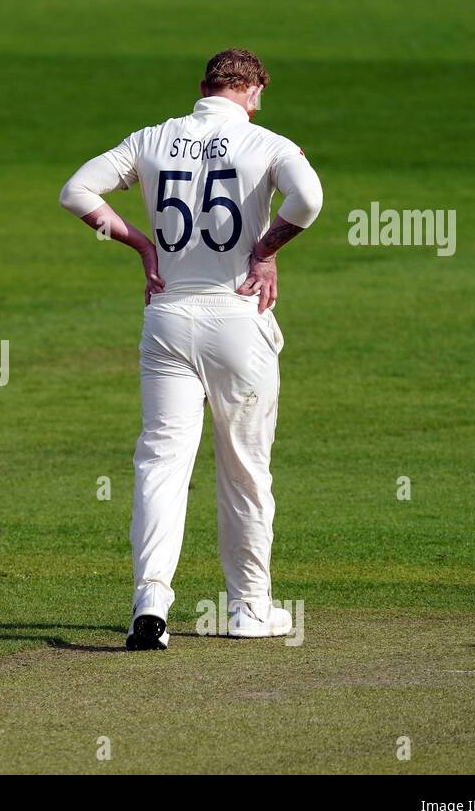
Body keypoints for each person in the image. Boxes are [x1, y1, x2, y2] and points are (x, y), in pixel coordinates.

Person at [58, 48, 323, 649]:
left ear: (203, 87)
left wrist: (142, 247)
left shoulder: (152, 139)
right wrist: (266, 250)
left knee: (160, 462)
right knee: (244, 468)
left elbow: (77, 192)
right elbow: (307, 202)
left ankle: (149, 605)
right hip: (239, 317)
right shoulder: (271, 145)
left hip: (168, 317)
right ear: (255, 91)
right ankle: (250, 610)